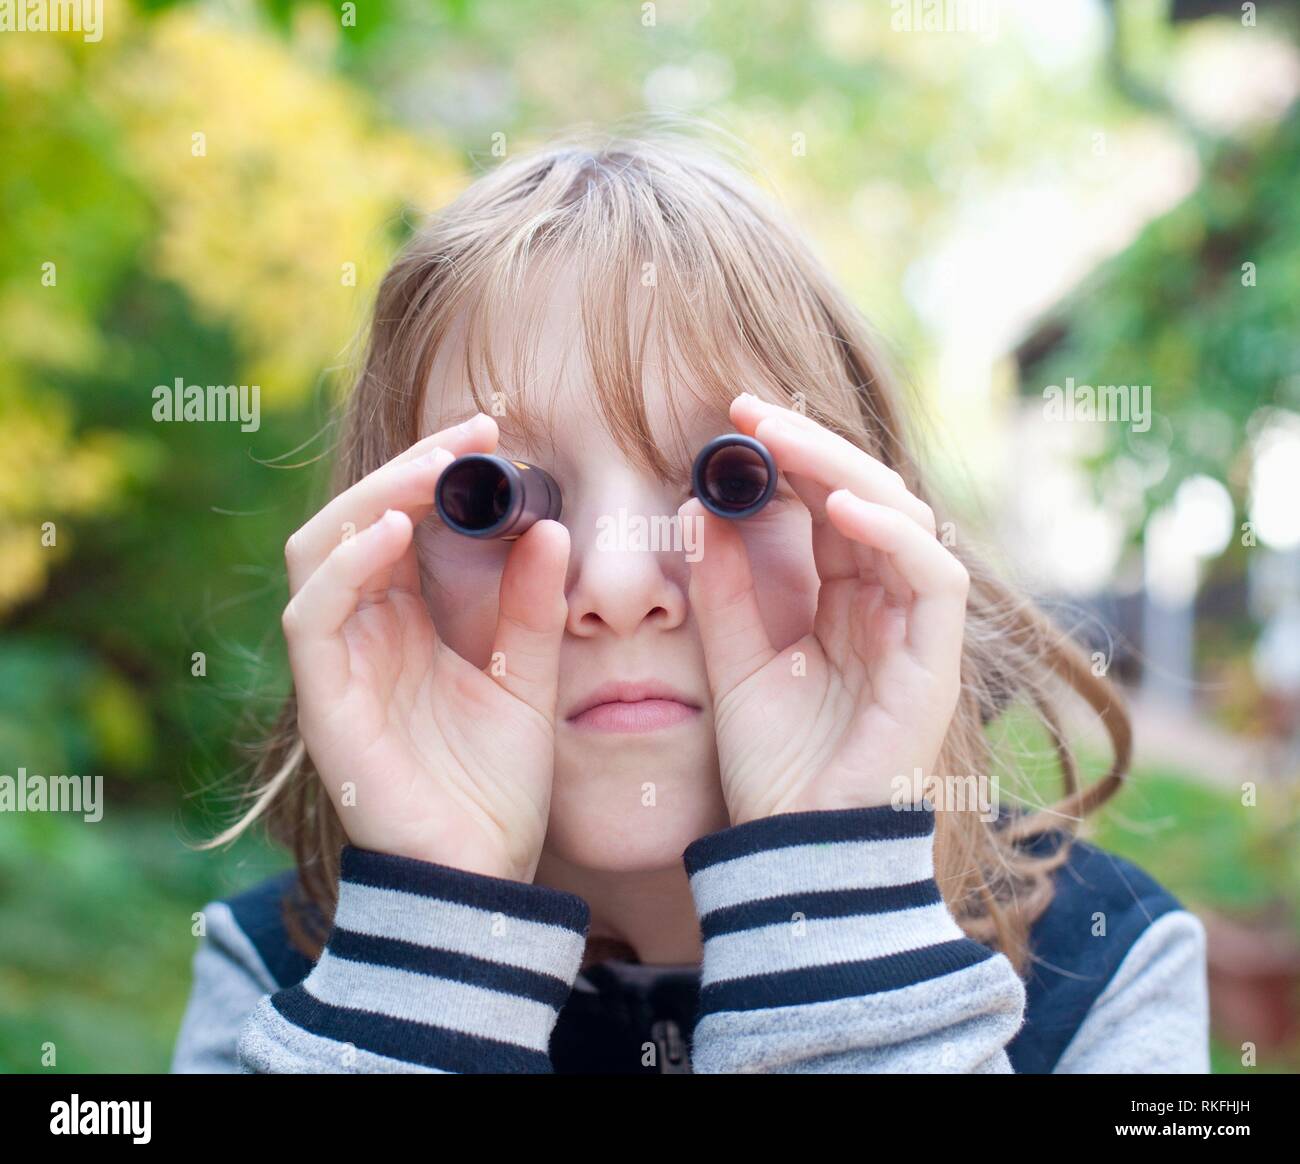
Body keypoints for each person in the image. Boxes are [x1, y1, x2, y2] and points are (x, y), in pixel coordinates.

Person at [170, 126, 1210, 1074]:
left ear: (875, 535)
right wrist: (431, 960)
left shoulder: (1102, 967)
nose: (617, 589)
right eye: (493, 500)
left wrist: (829, 904)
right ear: (385, 573)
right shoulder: (285, 982)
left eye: (731, 482)